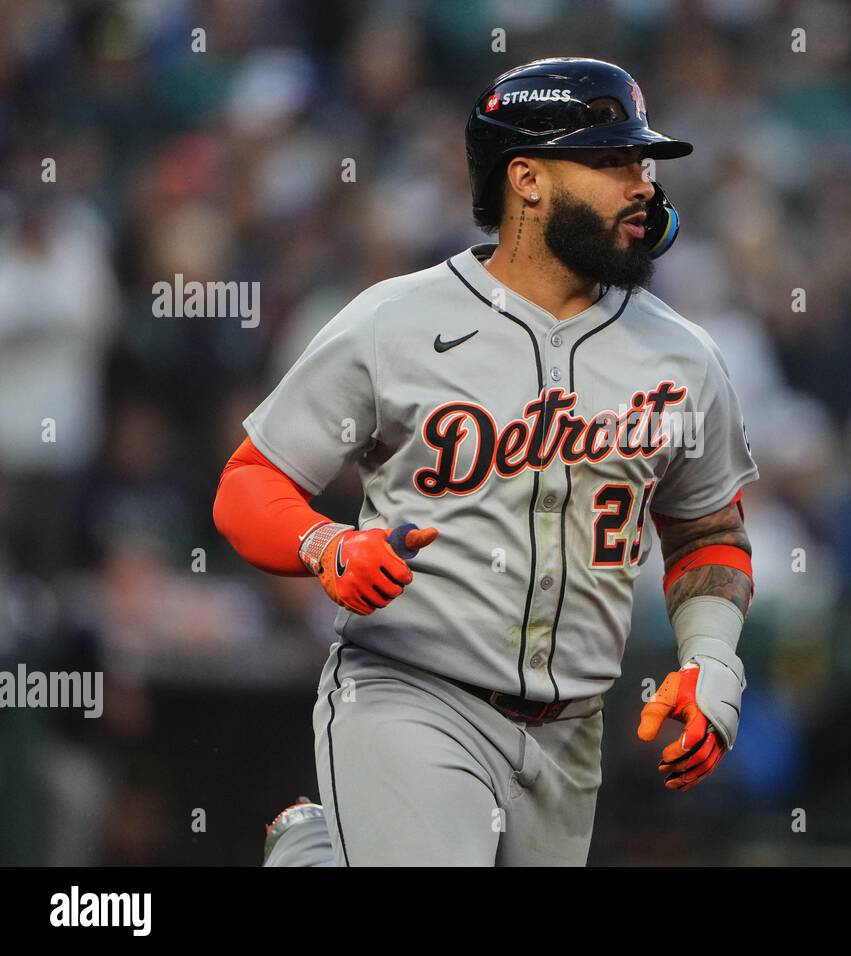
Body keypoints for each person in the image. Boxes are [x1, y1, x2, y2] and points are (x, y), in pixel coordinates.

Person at [214, 57, 758, 866]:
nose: (642, 185)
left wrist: (711, 658)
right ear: (528, 180)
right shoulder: (395, 322)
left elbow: (708, 528)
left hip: (573, 731)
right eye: (612, 162)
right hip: (411, 691)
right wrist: (325, 545)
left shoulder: (684, 355)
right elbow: (250, 482)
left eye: (642, 163)